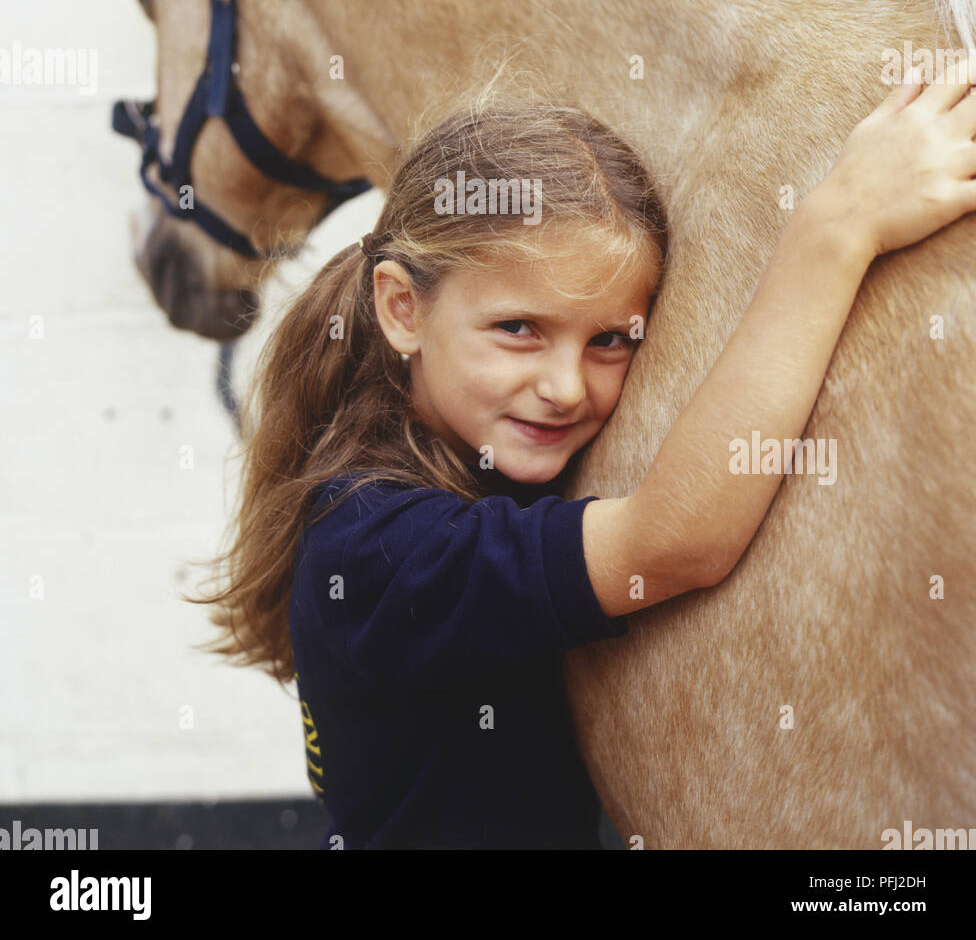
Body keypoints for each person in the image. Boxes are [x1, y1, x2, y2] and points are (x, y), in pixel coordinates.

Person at [189, 71, 976, 850]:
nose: (566, 388)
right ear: (403, 309)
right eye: (520, 329)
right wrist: (834, 233)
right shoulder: (377, 543)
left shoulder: (471, 464)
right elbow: (670, 543)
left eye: (609, 341)